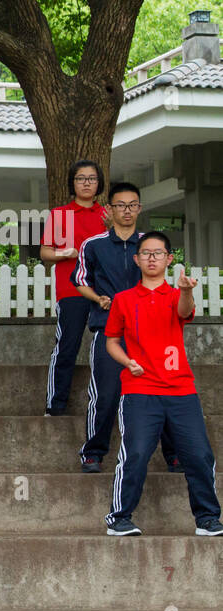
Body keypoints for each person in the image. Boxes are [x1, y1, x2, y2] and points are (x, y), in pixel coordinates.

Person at [102, 231, 221, 537]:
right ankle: (120, 518)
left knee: (199, 454)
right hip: (140, 390)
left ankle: (208, 519)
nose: (151, 258)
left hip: (181, 389)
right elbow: (112, 341)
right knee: (137, 452)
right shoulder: (124, 300)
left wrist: (185, 291)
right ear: (137, 259)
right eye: (146, 253)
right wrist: (127, 361)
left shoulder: (176, 295)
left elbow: (184, 312)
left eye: (158, 253)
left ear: (169, 258)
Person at [71, 181, 175, 474]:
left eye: (132, 205)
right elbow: (80, 281)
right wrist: (99, 299)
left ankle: (174, 454)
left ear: (139, 208)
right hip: (110, 332)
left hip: (151, 332)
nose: (126, 211)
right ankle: (93, 453)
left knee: (162, 391)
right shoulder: (93, 245)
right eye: (120, 205)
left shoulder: (151, 245)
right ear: (110, 210)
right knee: (105, 393)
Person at [41, 160, 108, 416]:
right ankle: (55, 406)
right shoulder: (60, 215)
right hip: (71, 291)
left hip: (104, 291)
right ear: (73, 183)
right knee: (67, 346)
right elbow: (45, 253)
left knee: (110, 348)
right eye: (81, 178)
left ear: (99, 182)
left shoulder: (106, 215)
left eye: (92, 178)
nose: (87, 183)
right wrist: (63, 253)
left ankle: (111, 404)